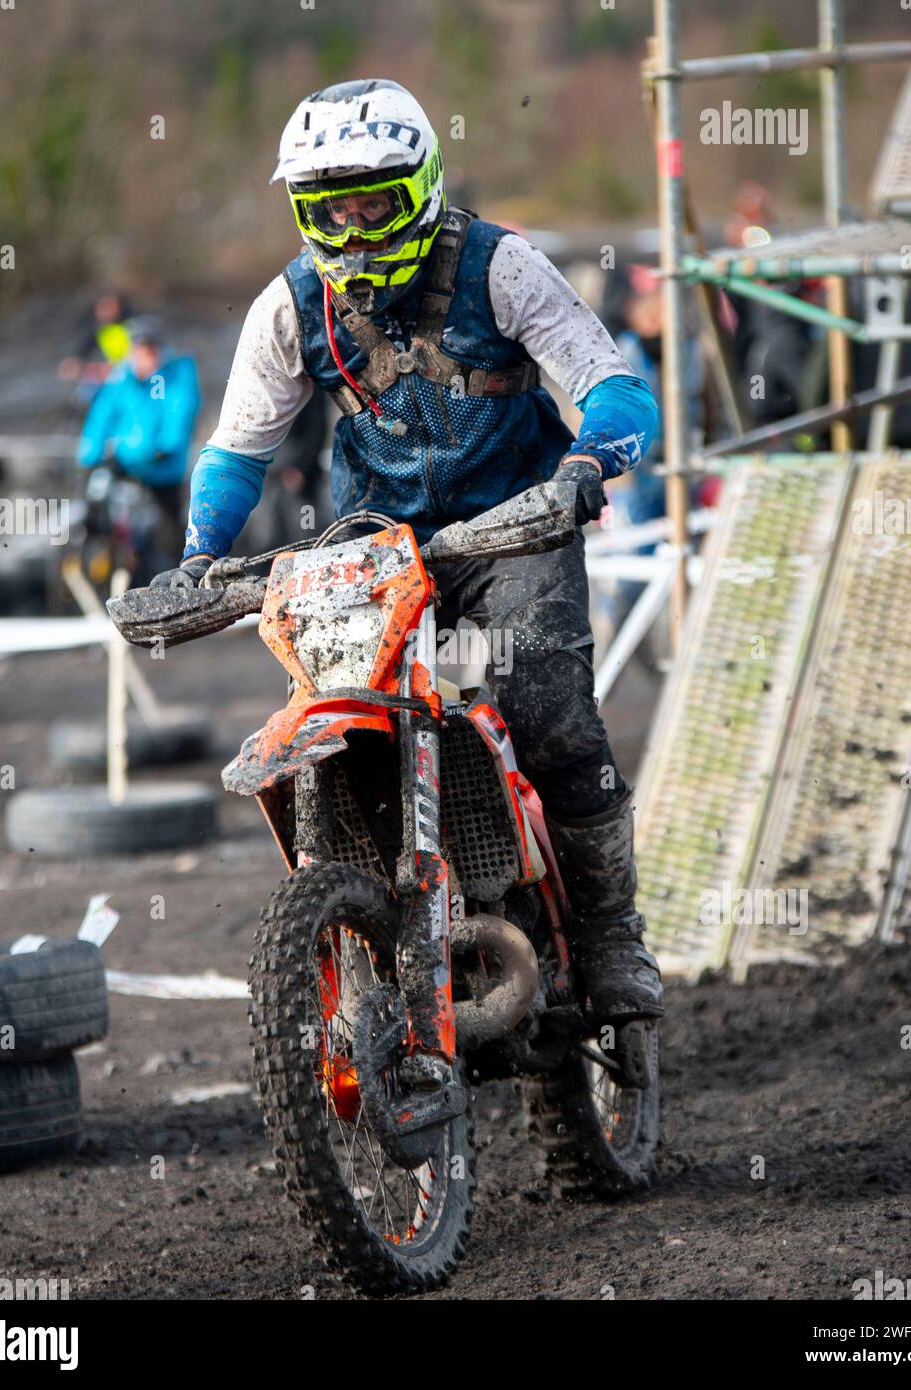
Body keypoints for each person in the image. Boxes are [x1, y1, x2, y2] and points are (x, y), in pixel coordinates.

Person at [152, 80, 663, 1026]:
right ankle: (367, 907)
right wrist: (197, 555)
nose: (350, 235)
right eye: (328, 212)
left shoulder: (501, 266)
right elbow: (236, 450)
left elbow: (615, 386)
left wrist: (586, 467)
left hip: (517, 531)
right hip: (379, 556)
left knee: (550, 712)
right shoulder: (289, 306)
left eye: (372, 207)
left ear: (418, 189)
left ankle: (607, 931)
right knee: (336, 720)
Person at [77, 316, 201, 564]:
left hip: (162, 467)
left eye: (150, 350)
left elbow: (179, 414)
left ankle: (179, 572)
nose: (145, 358)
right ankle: (95, 550)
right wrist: (90, 453)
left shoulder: (176, 377)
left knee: (171, 530)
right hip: (127, 460)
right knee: (97, 495)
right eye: (139, 350)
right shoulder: (122, 378)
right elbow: (101, 415)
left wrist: (165, 447)